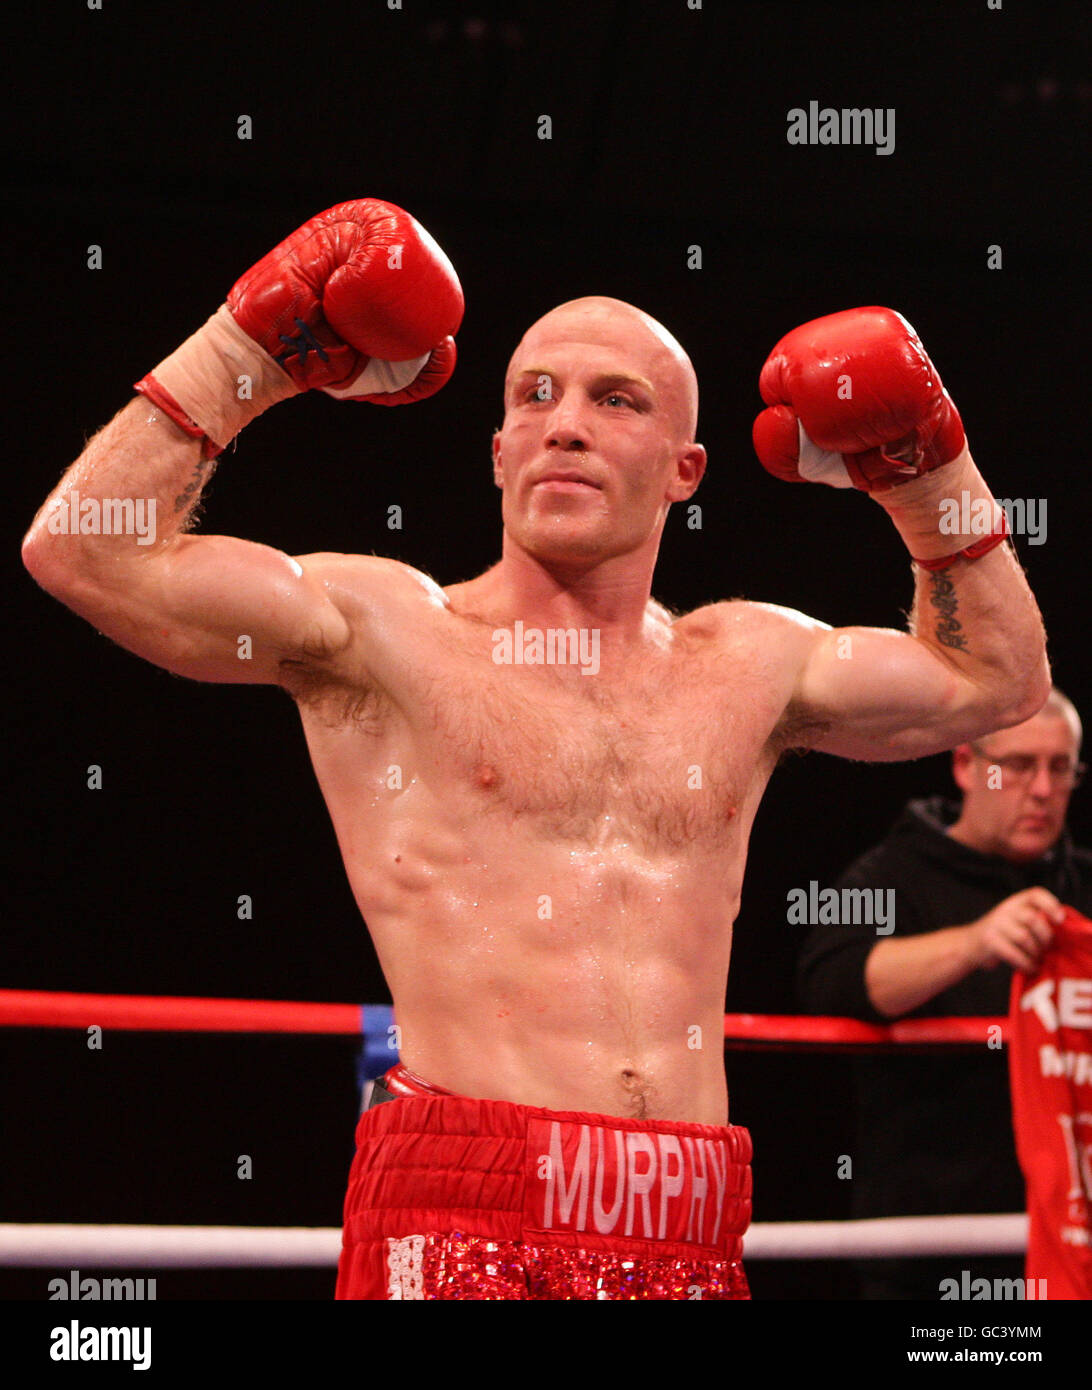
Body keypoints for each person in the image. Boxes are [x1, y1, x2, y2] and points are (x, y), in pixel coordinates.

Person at [21, 198, 1050, 1300]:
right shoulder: (381, 630)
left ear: (685, 471)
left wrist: (925, 470)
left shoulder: (749, 662)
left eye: (617, 401)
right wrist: (253, 351)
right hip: (466, 1196)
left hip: (692, 1216)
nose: (566, 424)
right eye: (535, 396)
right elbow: (83, 552)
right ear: (499, 450)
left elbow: (998, 681)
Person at [796, 691, 1091, 1299]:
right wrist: (975, 944)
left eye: (1060, 768)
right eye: (1018, 765)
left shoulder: (1084, 883)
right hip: (927, 1249)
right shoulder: (889, 875)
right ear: (965, 765)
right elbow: (831, 985)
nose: (1041, 789)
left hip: (1068, 1239)